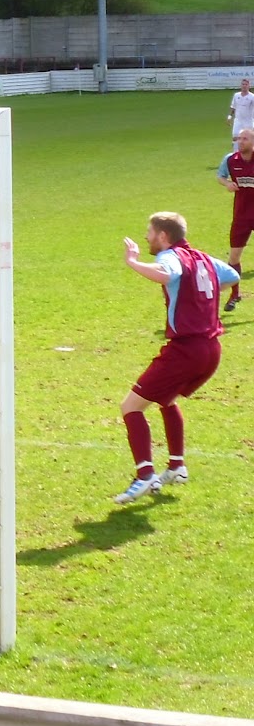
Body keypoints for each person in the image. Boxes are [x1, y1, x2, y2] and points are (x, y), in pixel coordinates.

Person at [113, 212, 239, 504]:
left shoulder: (170, 257)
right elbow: (232, 276)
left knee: (130, 407)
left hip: (185, 349)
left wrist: (132, 262)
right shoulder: (203, 258)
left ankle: (145, 475)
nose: (146, 237)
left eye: (150, 232)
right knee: (166, 400)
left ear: (164, 236)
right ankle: (176, 466)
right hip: (211, 350)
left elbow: (168, 274)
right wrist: (201, 295)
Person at [217, 128, 254, 311]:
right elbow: (220, 176)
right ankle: (234, 294)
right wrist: (227, 184)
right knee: (234, 256)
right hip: (241, 216)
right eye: (239, 138)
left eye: (245, 138)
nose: (241, 141)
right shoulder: (230, 160)